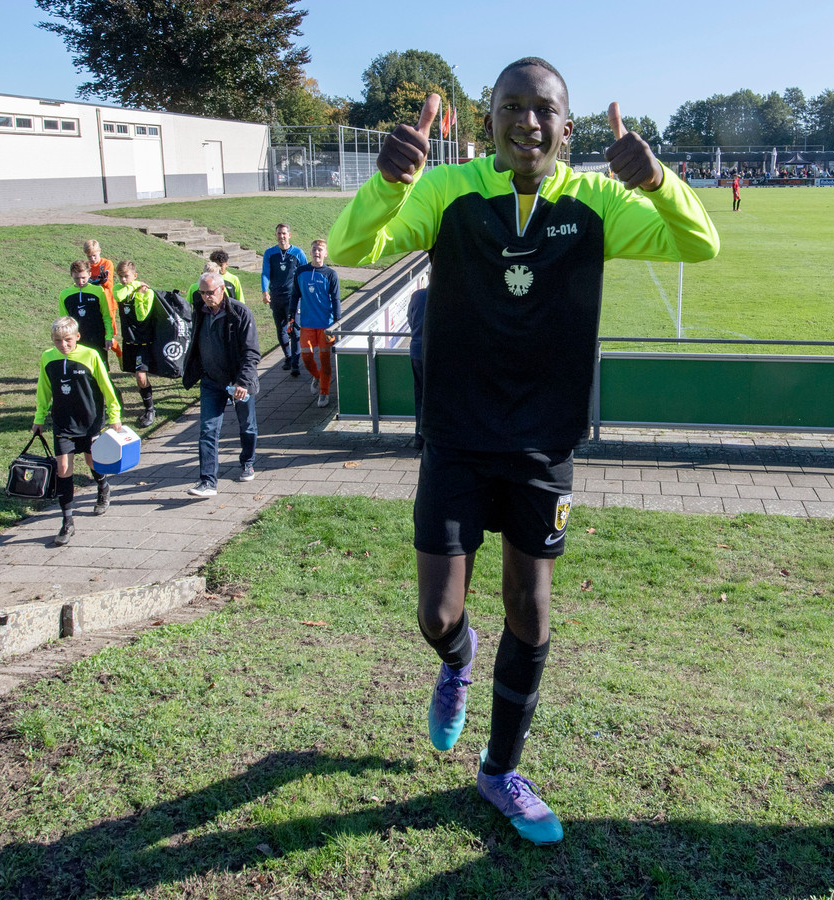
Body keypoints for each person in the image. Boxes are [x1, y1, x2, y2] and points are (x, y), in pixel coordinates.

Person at [328, 56, 720, 846]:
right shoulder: (448, 192)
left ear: (565, 129)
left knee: (531, 611)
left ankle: (499, 768)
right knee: (437, 614)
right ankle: (456, 662)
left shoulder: (598, 199)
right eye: (511, 107)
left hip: (544, 444)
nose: (527, 122)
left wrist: (656, 181)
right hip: (458, 436)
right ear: (489, 122)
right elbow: (350, 247)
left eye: (542, 110)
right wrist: (390, 184)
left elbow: (698, 242)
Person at [32, 316, 123, 546]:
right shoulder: (47, 358)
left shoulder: (90, 356)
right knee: (63, 469)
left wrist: (114, 415)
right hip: (63, 423)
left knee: (92, 462)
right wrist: (39, 417)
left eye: (68, 340)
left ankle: (103, 486)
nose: (63, 345)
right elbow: (44, 389)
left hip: (89, 421)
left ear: (77, 337)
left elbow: (106, 386)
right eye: (58, 341)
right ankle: (67, 521)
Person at [182, 271, 260, 497]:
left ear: (222, 289)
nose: (207, 297)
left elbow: (252, 352)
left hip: (239, 381)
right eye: (202, 293)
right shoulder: (199, 311)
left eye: (211, 292)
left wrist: (242, 381)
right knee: (207, 430)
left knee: (248, 426)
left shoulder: (240, 313)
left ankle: (247, 461)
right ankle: (207, 481)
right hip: (211, 381)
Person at [288, 239, 341, 408]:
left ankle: (324, 392)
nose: (316, 253)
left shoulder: (330, 274)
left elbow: (336, 299)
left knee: (325, 360)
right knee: (306, 357)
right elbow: (295, 295)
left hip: (326, 325)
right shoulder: (301, 271)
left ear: (325, 253)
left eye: (320, 250)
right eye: (314, 249)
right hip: (307, 323)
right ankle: (316, 377)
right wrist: (291, 316)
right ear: (310, 252)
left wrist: (338, 323)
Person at [114, 260, 159, 428]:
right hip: (129, 341)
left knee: (141, 376)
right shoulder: (121, 289)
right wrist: (135, 286)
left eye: (127, 277)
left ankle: (150, 409)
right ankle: (147, 404)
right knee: (137, 377)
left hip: (143, 342)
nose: (124, 280)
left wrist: (140, 294)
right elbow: (118, 295)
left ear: (135, 275)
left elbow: (142, 317)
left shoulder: (147, 292)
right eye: (121, 277)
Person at [260, 223, 308, 376]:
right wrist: (265, 291)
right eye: (279, 233)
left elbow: (305, 273)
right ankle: (288, 356)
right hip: (276, 296)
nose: (281, 236)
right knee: (280, 328)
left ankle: (295, 363)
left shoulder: (298, 253)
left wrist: (305, 294)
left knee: (294, 329)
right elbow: (265, 273)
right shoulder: (270, 253)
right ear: (276, 235)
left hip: (292, 297)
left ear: (289, 235)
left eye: (284, 233)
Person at [59, 260, 115, 368]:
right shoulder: (64, 294)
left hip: (97, 338)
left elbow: (107, 316)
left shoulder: (98, 291)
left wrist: (109, 336)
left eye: (83, 278)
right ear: (71, 275)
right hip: (77, 340)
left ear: (89, 274)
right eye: (76, 278)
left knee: (101, 371)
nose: (80, 281)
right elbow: (64, 321)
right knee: (80, 371)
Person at [407, 286, 428, 451]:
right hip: (435, 354)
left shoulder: (417, 296)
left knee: (420, 396)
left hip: (416, 352)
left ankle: (419, 437)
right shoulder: (446, 295)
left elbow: (410, 320)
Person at [84, 239, 117, 325]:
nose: (92, 259)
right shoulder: (86, 266)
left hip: (107, 300)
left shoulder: (107, 264)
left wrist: (103, 281)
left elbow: (109, 285)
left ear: (99, 251)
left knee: (109, 330)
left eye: (94, 255)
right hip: (92, 301)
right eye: (89, 256)